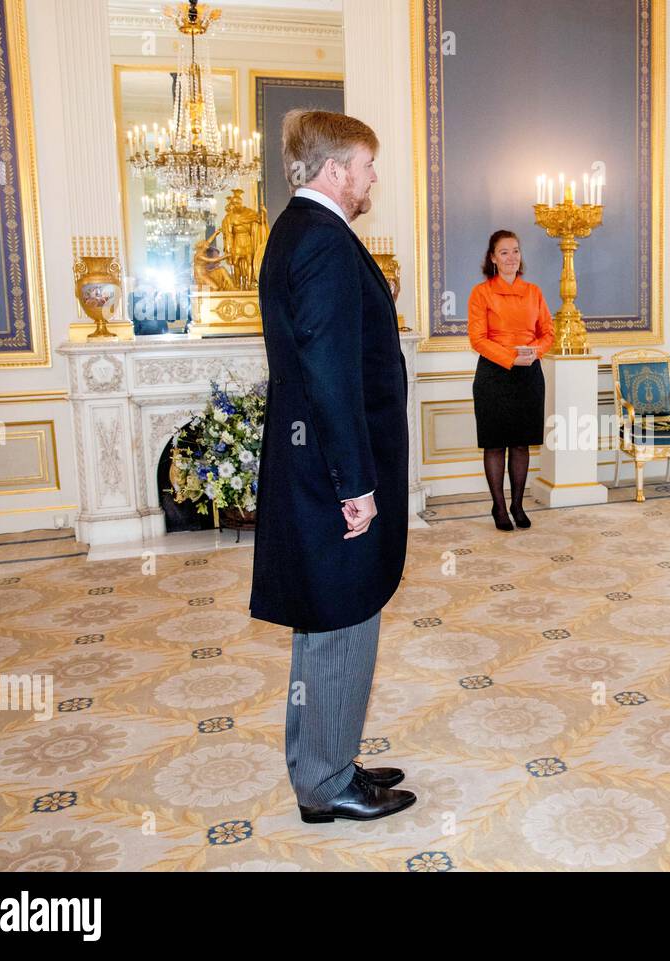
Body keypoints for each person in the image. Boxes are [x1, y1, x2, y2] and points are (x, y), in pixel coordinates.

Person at [250, 109, 416, 823]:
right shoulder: (320, 240)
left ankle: (327, 758)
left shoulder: (300, 230)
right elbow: (328, 373)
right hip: (330, 474)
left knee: (330, 622)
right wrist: (357, 485)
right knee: (343, 621)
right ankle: (325, 783)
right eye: (367, 163)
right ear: (335, 169)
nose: (374, 176)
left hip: (314, 464)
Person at [467, 230, 554, 531]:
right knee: (494, 444)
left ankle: (518, 504)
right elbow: (477, 339)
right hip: (493, 375)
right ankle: (499, 507)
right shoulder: (481, 293)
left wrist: (534, 352)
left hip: (528, 374)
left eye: (515, 251)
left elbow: (548, 334)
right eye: (504, 252)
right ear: (492, 257)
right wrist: (509, 357)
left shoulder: (534, 292)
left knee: (520, 445)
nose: (511, 257)